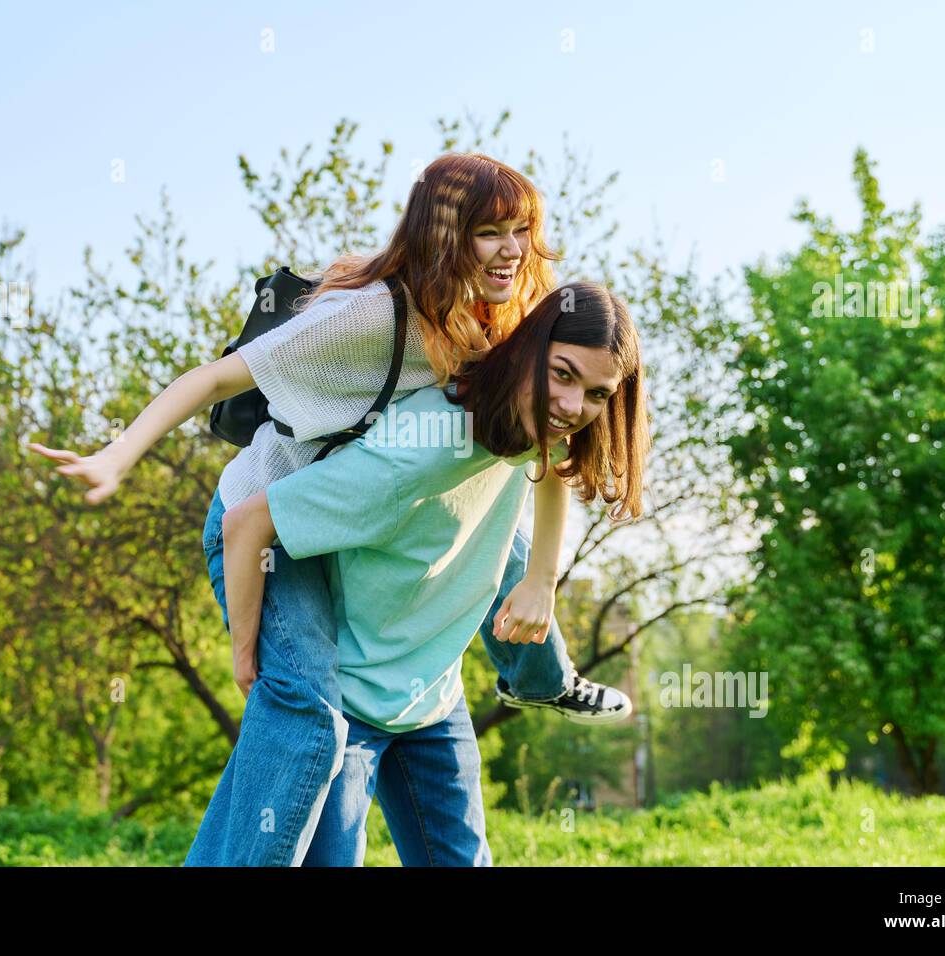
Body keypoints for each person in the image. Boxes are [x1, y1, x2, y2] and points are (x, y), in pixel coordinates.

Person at [31, 153, 630, 867]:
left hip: (345, 517)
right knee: (309, 713)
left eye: (522, 230)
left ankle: (544, 678)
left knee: (500, 528)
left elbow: (552, 449)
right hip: (268, 526)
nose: (511, 250)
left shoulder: (509, 318)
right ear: (445, 236)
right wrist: (120, 454)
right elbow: (221, 378)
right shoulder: (373, 318)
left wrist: (543, 583)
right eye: (489, 232)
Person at [215, 282, 649, 865]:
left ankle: (546, 680)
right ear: (529, 352)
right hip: (351, 700)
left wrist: (543, 579)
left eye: (595, 393)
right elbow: (247, 524)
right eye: (563, 374)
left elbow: (553, 469)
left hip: (432, 699)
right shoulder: (410, 456)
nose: (572, 408)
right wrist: (248, 653)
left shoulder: (526, 420)